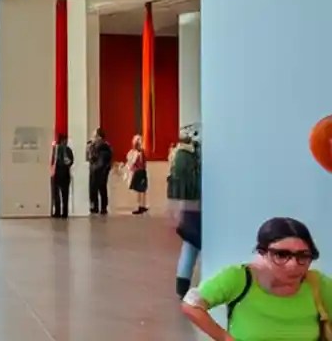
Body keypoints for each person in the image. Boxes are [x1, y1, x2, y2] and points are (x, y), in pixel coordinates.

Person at [182, 217, 330, 340]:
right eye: (281, 255)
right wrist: (225, 338)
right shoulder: (239, 278)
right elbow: (191, 304)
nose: (293, 265)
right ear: (262, 253)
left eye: (302, 256)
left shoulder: (317, 284)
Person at [167, 130, 202, 298]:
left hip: (189, 207)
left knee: (189, 246)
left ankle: (182, 286)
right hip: (198, 205)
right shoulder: (191, 158)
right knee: (195, 246)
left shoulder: (178, 156)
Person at [85, 128, 113, 215]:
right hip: (94, 170)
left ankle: (103, 207)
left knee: (101, 189)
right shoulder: (92, 146)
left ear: (100, 137)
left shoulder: (105, 147)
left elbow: (105, 160)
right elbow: (88, 158)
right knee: (93, 189)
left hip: (101, 171)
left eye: (95, 136)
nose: (94, 138)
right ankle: (95, 206)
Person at [49, 134, 74, 218]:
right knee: (65, 194)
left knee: (56, 194)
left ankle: (57, 212)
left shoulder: (55, 149)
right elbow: (71, 162)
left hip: (56, 174)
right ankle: (65, 212)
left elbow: (52, 161)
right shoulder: (67, 150)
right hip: (65, 174)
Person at [126, 135, 149, 215]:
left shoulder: (142, 151)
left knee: (143, 189)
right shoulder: (133, 152)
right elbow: (131, 162)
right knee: (138, 190)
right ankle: (139, 206)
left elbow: (144, 161)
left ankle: (143, 205)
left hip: (142, 171)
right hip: (137, 172)